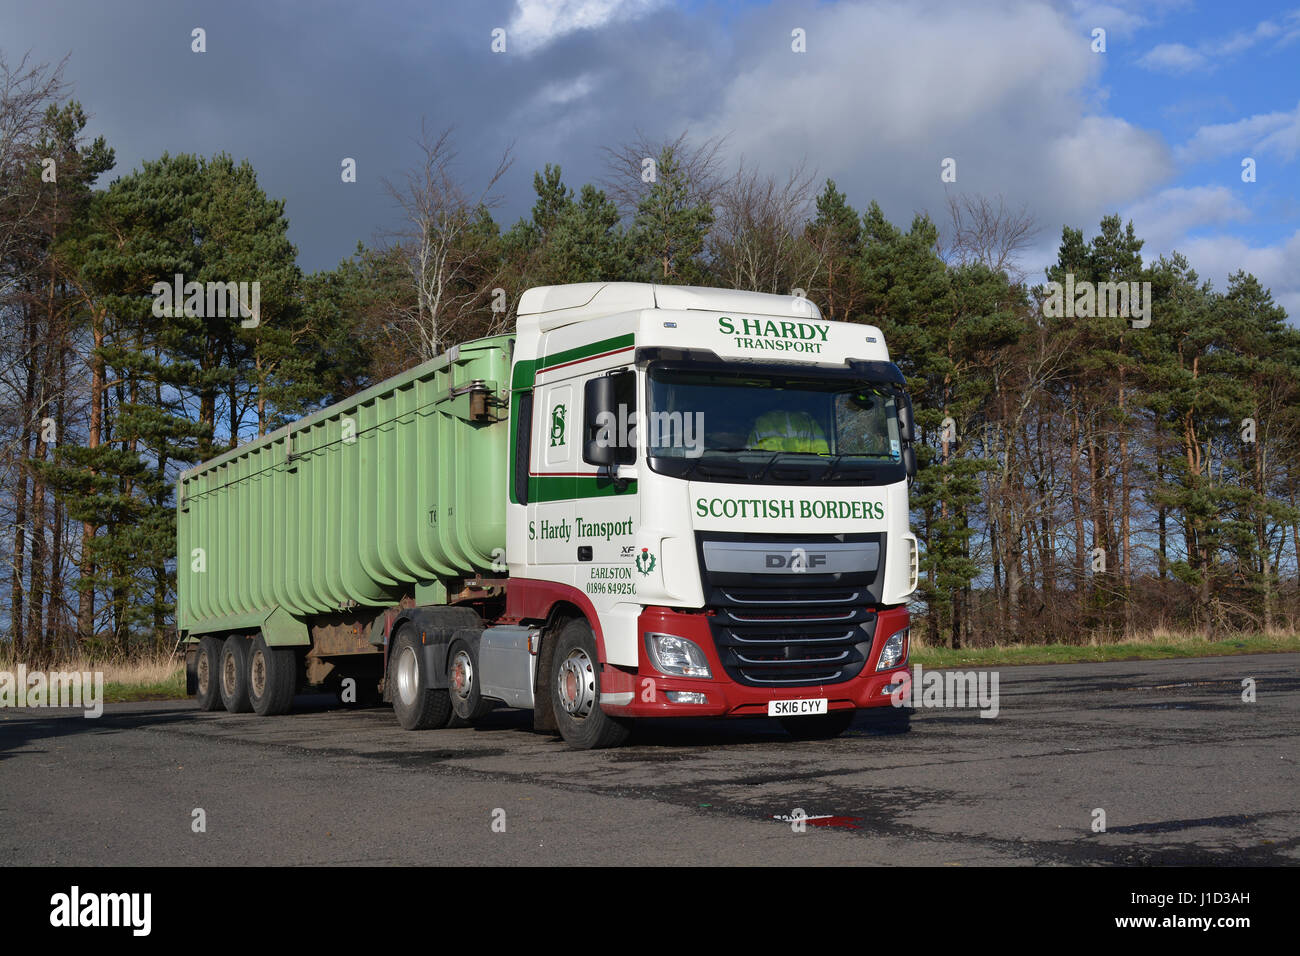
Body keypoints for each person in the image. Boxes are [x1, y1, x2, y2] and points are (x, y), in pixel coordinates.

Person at [746, 409, 829, 453]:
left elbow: (750, 459)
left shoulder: (761, 424)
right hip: (809, 481)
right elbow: (824, 459)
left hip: (765, 481)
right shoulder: (808, 422)